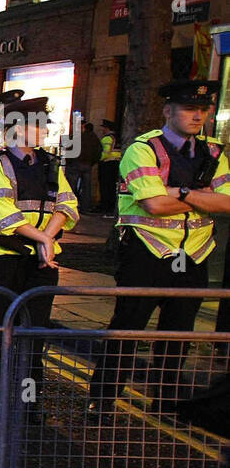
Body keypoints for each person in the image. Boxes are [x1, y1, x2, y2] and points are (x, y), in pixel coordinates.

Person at [87, 80, 230, 419]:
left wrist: (179, 193)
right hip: (146, 253)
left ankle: (165, 403)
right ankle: (102, 399)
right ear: (168, 111)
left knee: (178, 334)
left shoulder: (214, 151)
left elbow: (227, 203)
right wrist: (200, 198)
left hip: (193, 254)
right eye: (188, 109)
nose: (197, 116)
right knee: (127, 328)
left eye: (203, 109)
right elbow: (153, 204)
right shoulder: (143, 148)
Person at [0, 96, 78, 417]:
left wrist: (48, 237)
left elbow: (69, 206)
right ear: (16, 128)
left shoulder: (51, 164)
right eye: (37, 124)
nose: (45, 130)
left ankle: (29, 402)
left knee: (34, 337)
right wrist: (44, 237)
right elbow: (0, 215)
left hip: (41, 264)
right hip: (1, 261)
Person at [70, 120, 103, 214]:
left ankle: (72, 206)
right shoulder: (93, 137)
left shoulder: (76, 136)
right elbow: (98, 151)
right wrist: (92, 162)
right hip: (87, 164)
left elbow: (68, 149)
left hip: (76, 164)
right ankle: (85, 207)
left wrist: (70, 161)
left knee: (72, 186)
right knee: (86, 187)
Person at [97, 118, 120, 215]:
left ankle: (105, 206)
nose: (102, 130)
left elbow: (106, 153)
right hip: (116, 163)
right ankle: (110, 206)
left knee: (105, 186)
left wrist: (98, 158)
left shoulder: (107, 138)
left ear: (107, 128)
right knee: (112, 186)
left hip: (107, 164)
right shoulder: (118, 137)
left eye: (103, 128)